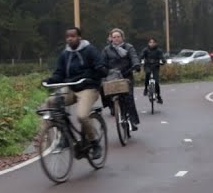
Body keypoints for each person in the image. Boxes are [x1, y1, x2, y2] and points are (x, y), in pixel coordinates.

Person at [43, 26, 107, 159]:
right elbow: (59, 73)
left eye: (73, 36)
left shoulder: (90, 50)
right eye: (67, 37)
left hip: (88, 88)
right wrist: (50, 80)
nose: (69, 39)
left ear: (79, 37)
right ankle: (65, 136)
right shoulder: (65, 54)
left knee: (82, 116)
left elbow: (100, 66)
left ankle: (94, 143)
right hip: (72, 87)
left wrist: (98, 70)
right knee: (51, 102)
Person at [101, 28, 140, 130]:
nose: (116, 39)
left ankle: (132, 120)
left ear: (122, 37)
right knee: (104, 89)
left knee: (129, 97)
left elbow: (134, 57)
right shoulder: (106, 50)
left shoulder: (129, 47)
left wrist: (136, 64)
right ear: (111, 39)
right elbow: (102, 63)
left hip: (126, 75)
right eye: (114, 37)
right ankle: (112, 106)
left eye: (118, 37)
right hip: (112, 76)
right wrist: (102, 70)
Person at [140, 37, 165, 104]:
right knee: (147, 75)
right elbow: (141, 56)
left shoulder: (158, 50)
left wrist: (162, 62)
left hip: (155, 66)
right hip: (147, 65)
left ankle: (158, 96)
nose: (152, 43)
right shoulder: (145, 50)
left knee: (156, 82)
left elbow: (162, 58)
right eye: (150, 42)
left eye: (153, 42)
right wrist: (140, 61)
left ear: (156, 43)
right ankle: (145, 89)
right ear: (148, 43)